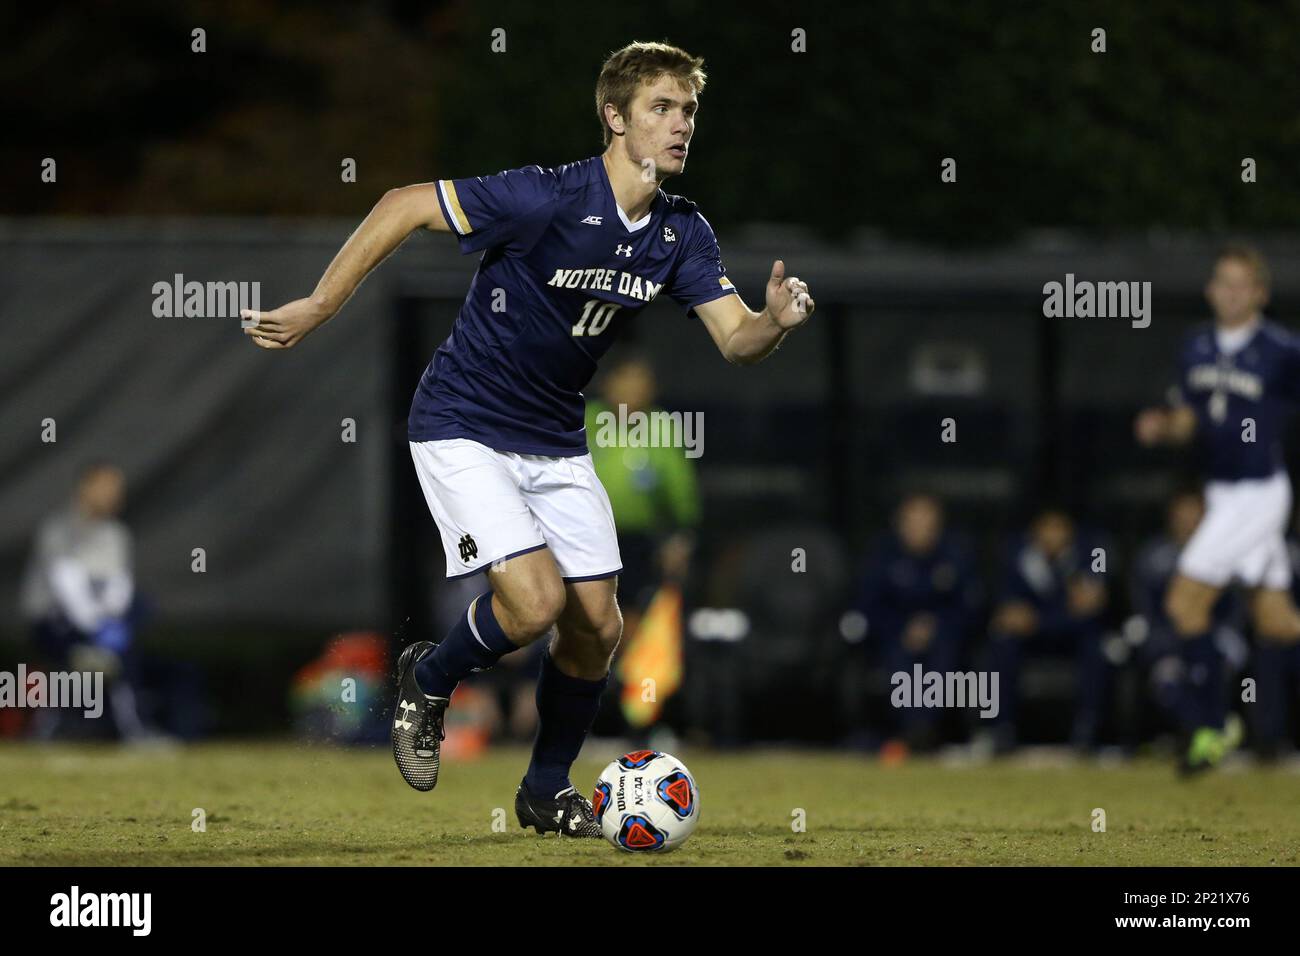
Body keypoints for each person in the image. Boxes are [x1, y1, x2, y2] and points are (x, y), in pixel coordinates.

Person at [242, 41, 815, 836]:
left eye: (688, 109)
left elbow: (737, 340)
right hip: (463, 423)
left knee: (599, 626)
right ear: (614, 117)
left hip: (555, 438)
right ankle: (429, 679)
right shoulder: (547, 196)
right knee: (536, 604)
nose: (680, 123)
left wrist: (773, 322)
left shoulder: (681, 233)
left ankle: (544, 791)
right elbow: (404, 203)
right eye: (660, 107)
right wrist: (319, 303)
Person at [1135, 243, 1300, 772]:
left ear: (1260, 294)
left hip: (1258, 492)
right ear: (1210, 290)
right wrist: (1165, 427)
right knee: (1278, 623)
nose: (1231, 293)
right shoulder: (1197, 346)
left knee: (1184, 604)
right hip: (1222, 492)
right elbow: (1190, 419)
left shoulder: (1281, 350)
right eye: (1223, 283)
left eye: (1241, 284)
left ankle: (1212, 725)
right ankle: (1214, 725)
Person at [20, 462, 148, 740]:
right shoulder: (57, 529)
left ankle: (133, 727)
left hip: (99, 623)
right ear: (85, 488)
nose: (112, 495)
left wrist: (111, 624)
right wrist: (95, 628)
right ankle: (48, 725)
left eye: (116, 489)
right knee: (73, 648)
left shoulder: (116, 535)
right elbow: (66, 586)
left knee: (136, 622)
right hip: (55, 622)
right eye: (105, 487)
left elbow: (119, 586)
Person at [852, 493, 979, 752]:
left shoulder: (955, 555)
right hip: (895, 636)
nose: (920, 530)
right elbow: (867, 608)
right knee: (897, 655)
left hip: (943, 636)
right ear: (900, 525)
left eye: (927, 524)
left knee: (944, 653)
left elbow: (970, 608)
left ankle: (924, 729)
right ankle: (912, 729)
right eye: (913, 523)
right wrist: (903, 627)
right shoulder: (882, 556)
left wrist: (936, 626)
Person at [985, 507, 1112, 753]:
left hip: (1074, 634)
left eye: (1059, 528)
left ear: (1070, 531)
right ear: (1034, 531)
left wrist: (1038, 619)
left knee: (1095, 642)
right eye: (1046, 528)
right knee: (1002, 642)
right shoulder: (1013, 553)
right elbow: (1007, 608)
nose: (1052, 535)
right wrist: (1058, 613)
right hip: (1030, 637)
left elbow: (1093, 602)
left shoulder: (1096, 551)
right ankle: (1002, 729)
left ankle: (1087, 729)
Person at [1129, 490, 1244, 753]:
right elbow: (1146, 610)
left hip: (1217, 638)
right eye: (1182, 515)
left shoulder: (1225, 553)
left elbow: (1236, 607)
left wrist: (1219, 638)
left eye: (1195, 515)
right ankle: (1209, 730)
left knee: (1209, 672)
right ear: (1170, 517)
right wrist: (1167, 643)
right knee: (1168, 682)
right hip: (1168, 642)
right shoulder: (1152, 556)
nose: (1188, 521)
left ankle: (1213, 730)